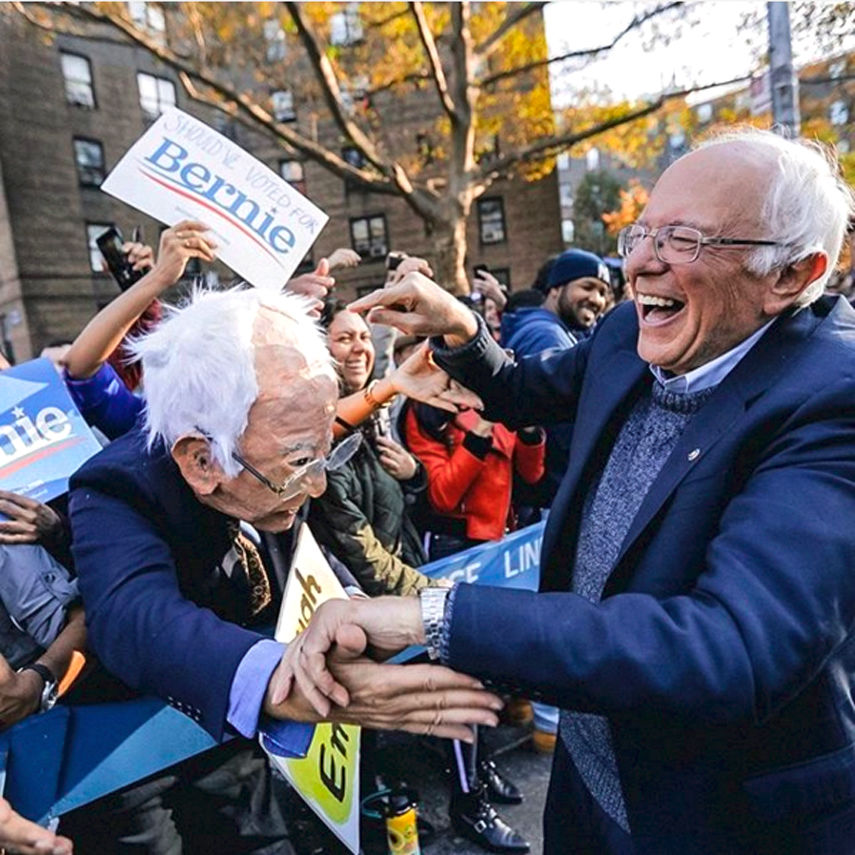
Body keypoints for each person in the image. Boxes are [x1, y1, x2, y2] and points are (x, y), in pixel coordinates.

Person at [283, 128, 855, 854]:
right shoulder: (628, 330)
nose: (639, 262)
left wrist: (429, 615)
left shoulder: (834, 402)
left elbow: (725, 649)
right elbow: (528, 389)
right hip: (586, 783)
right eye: (640, 230)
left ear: (789, 273)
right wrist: (461, 329)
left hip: (717, 815)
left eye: (683, 238)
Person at [64, 286, 501, 853]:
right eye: (300, 463)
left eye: (325, 455)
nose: (317, 485)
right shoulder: (116, 486)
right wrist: (278, 680)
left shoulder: (272, 468)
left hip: (234, 739)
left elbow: (307, 555)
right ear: (202, 460)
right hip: (126, 765)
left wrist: (355, 611)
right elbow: (132, 616)